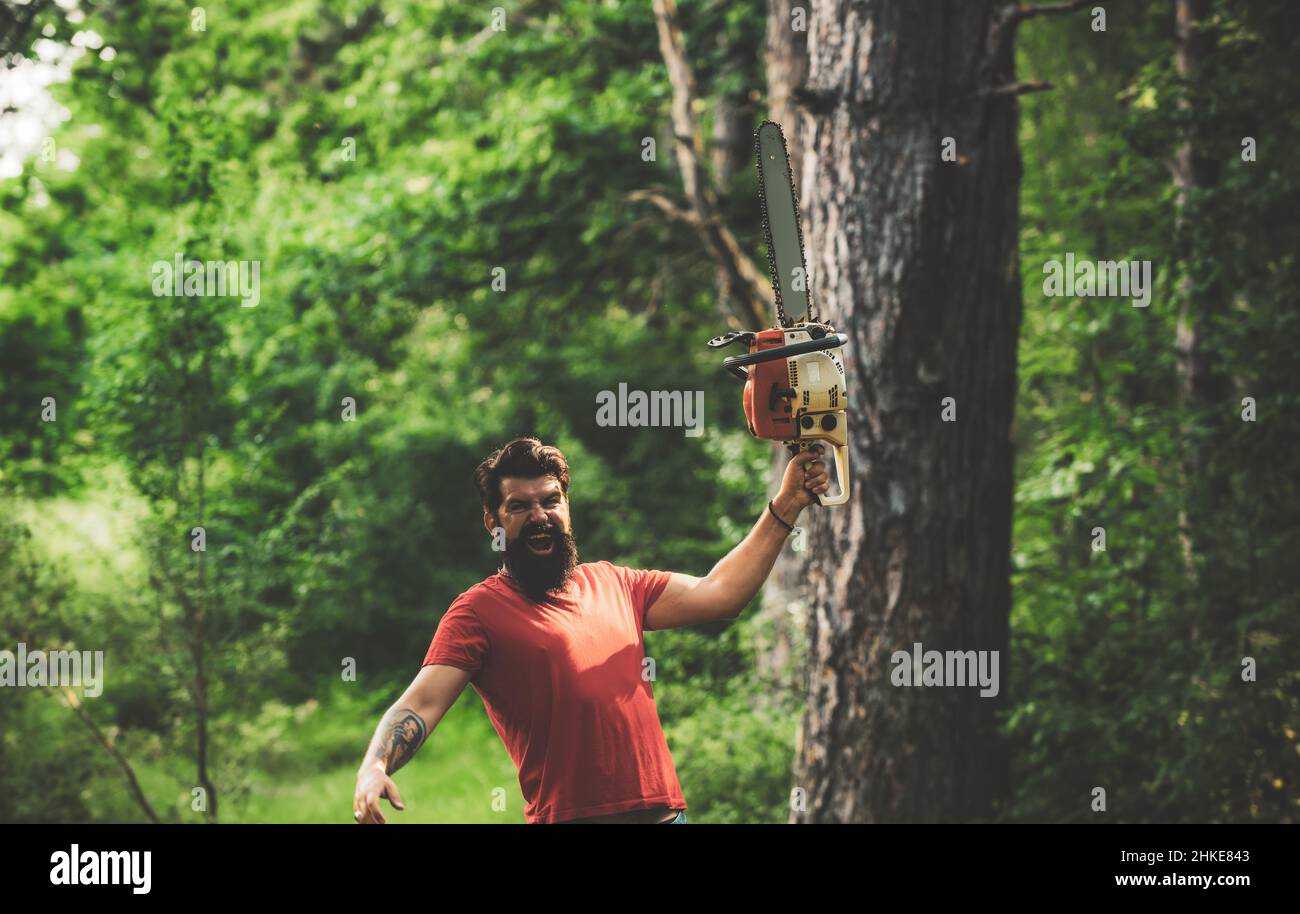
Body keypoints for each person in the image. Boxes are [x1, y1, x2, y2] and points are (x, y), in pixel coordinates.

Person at [353, 436, 829, 824]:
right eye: (519, 507)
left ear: (567, 506)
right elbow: (420, 703)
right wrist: (376, 766)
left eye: (550, 500)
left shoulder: (617, 583)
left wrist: (787, 503)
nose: (539, 516)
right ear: (492, 521)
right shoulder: (478, 612)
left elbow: (722, 592)